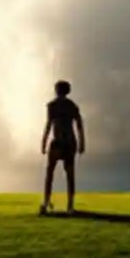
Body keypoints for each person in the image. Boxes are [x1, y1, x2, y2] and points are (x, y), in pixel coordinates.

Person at [40, 79, 85, 215]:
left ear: (56, 90)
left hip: (58, 142)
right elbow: (79, 125)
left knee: (50, 173)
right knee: (70, 175)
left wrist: (44, 142)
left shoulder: (52, 105)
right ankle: (70, 206)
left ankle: (46, 203)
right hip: (69, 142)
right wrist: (82, 142)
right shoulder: (72, 105)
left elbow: (49, 124)